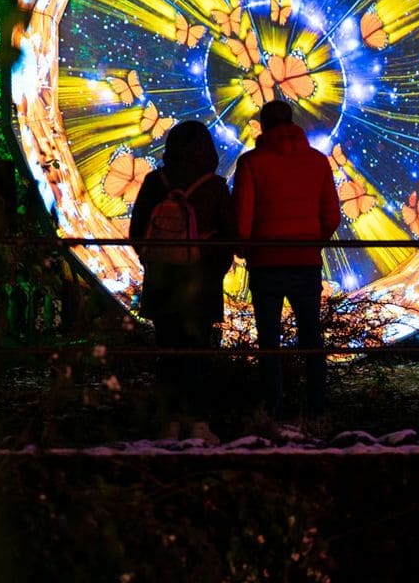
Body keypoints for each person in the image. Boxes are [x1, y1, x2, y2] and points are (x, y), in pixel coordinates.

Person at [232, 100, 340, 419]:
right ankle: (317, 407)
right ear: (293, 122)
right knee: (312, 337)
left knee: (269, 339)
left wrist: (245, 248)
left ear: (262, 126)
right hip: (305, 261)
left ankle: (274, 408)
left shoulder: (251, 163)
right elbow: (332, 215)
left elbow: (242, 220)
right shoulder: (318, 162)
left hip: (265, 262)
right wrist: (313, 243)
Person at [129, 120, 235, 443]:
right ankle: (199, 423)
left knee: (169, 354)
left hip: (162, 283)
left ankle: (170, 423)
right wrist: (214, 267)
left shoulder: (153, 181)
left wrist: (156, 261)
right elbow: (230, 236)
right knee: (198, 354)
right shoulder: (215, 186)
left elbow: (137, 234)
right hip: (201, 286)